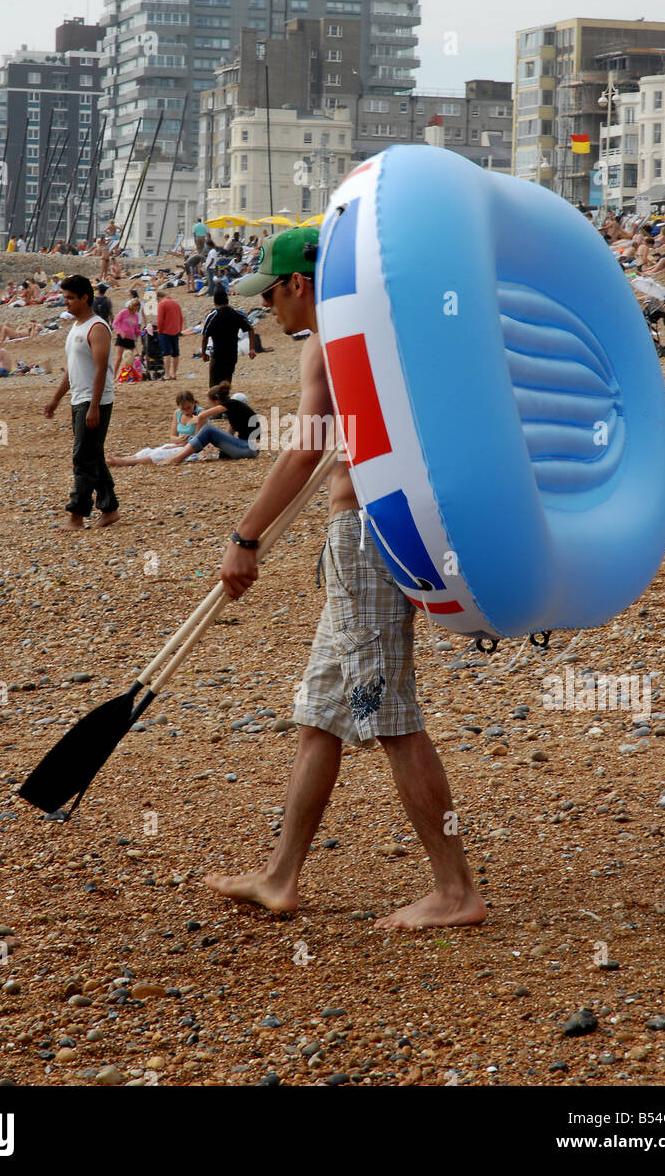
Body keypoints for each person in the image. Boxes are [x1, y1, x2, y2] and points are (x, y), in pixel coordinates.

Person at [199, 228, 485, 929]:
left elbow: (305, 453)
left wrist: (245, 539)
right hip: (364, 533)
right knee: (321, 715)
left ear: (299, 283)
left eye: (267, 293)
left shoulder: (329, 344)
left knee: (388, 715)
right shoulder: (378, 333)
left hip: (366, 538)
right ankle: (279, 876)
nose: (264, 308)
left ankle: (456, 891)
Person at [44, 275, 118, 531]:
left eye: (70, 298)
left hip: (94, 400)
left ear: (85, 298)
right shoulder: (76, 327)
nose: (66, 303)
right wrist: (56, 399)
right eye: (65, 298)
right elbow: (72, 370)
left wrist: (95, 405)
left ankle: (76, 515)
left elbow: (101, 370)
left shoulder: (97, 328)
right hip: (79, 399)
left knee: (83, 457)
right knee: (93, 455)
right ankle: (110, 509)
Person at [159, 381, 259, 463]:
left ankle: (177, 458)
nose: (211, 406)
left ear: (216, 401)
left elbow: (202, 415)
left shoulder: (231, 403)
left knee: (208, 429)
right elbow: (229, 435)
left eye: (211, 403)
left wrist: (195, 420)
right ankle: (178, 456)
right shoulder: (232, 410)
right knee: (210, 431)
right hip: (248, 448)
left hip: (249, 449)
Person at [107, 390, 202, 466]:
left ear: (193, 403)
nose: (186, 411)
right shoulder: (178, 413)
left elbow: (197, 440)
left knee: (159, 454)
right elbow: (172, 436)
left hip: (190, 448)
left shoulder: (199, 414)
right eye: (183, 409)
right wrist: (178, 440)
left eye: (188, 408)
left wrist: (177, 444)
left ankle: (125, 462)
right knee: (149, 451)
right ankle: (123, 459)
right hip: (180, 444)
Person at [200, 288, 256, 387]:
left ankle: (218, 401)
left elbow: (205, 337)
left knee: (214, 385)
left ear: (214, 301)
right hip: (232, 354)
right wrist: (251, 348)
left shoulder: (213, 315)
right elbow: (250, 329)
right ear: (227, 300)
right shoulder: (236, 314)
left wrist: (204, 353)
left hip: (218, 354)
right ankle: (225, 400)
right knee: (226, 382)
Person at [111, 297, 144, 378]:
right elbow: (114, 324)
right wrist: (120, 331)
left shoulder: (136, 316)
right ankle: (114, 375)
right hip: (122, 337)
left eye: (137, 309)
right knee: (119, 358)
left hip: (131, 338)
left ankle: (128, 375)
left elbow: (136, 330)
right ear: (132, 306)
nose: (136, 311)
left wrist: (144, 332)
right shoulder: (123, 312)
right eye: (135, 308)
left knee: (130, 359)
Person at [155, 289, 183, 381]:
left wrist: (159, 330)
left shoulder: (162, 304)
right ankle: (174, 374)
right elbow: (181, 318)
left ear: (159, 298)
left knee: (166, 353)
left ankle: (167, 374)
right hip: (175, 330)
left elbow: (160, 320)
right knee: (175, 353)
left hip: (165, 331)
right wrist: (179, 329)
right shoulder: (176, 304)